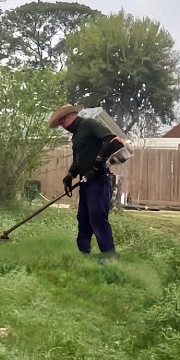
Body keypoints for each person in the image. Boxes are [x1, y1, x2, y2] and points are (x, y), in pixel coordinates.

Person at [48, 104, 128, 257]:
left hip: (99, 180)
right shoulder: (76, 136)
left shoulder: (89, 124)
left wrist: (98, 165)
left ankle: (109, 255)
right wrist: (70, 175)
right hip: (86, 182)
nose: (62, 127)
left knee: (97, 216)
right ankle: (83, 253)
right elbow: (78, 161)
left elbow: (110, 140)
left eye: (62, 122)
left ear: (70, 116)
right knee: (83, 218)